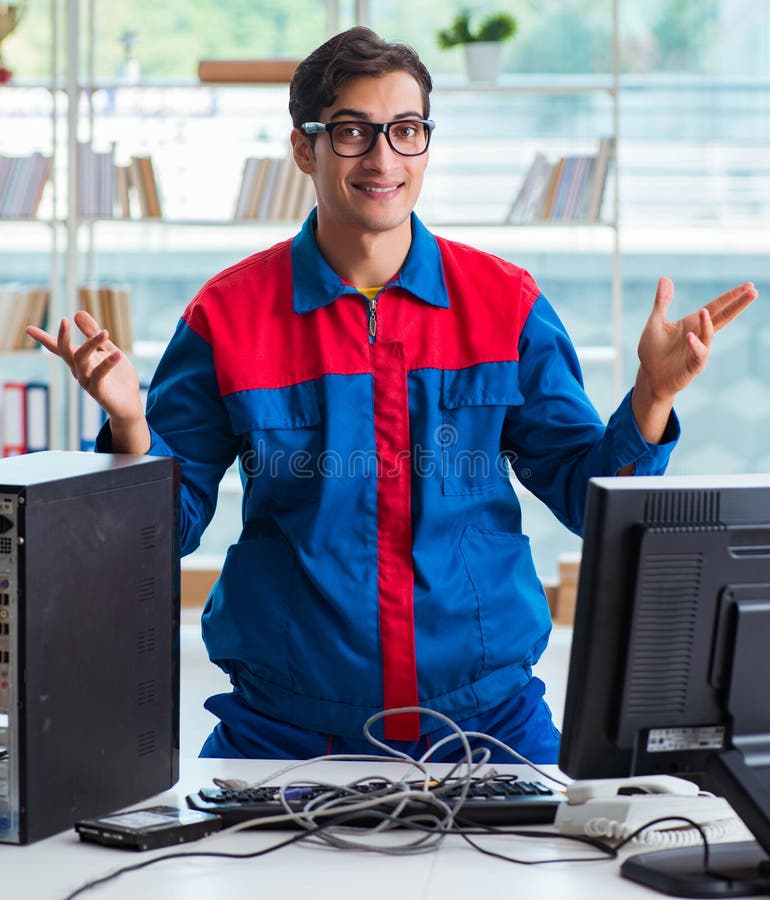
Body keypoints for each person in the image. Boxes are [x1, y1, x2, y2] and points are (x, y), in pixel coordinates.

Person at [27, 27, 757, 764]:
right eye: (352, 132)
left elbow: (586, 498)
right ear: (304, 150)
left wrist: (650, 401)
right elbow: (162, 531)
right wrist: (128, 423)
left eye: (405, 131)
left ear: (426, 146)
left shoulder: (507, 307)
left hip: (487, 719)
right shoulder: (226, 317)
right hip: (284, 725)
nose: (383, 159)